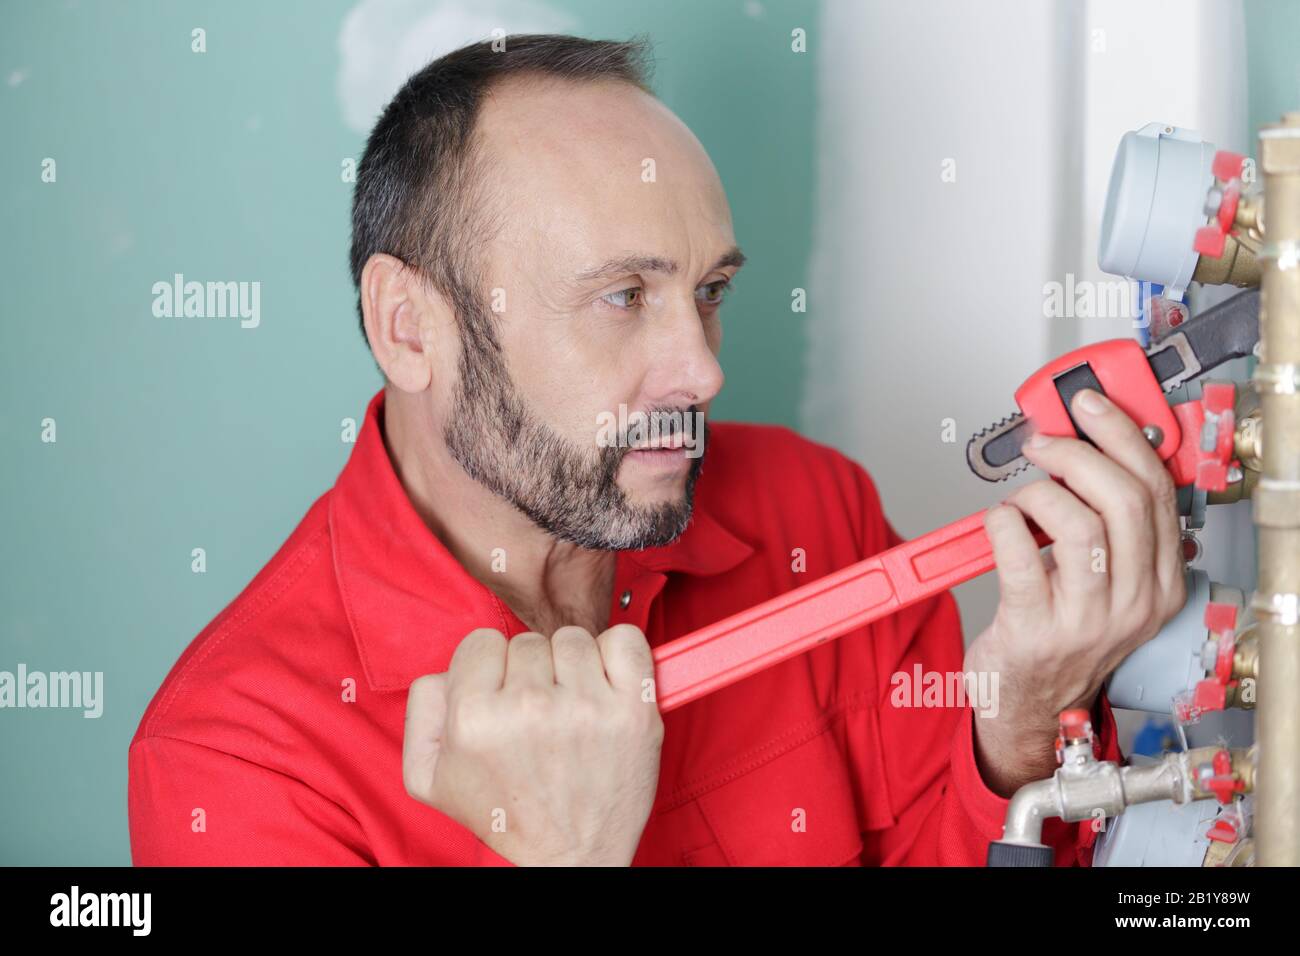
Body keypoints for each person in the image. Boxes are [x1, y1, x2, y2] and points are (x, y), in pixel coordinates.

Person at [128, 35, 1186, 866]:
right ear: (410, 327)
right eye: (623, 296)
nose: (701, 369)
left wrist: (1018, 725)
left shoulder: (812, 513)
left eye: (708, 293)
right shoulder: (233, 761)